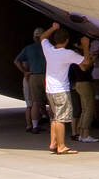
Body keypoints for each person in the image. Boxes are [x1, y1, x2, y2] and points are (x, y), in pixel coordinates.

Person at [39, 22, 94, 154]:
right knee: (61, 119)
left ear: (55, 40)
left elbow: (42, 38)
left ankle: (53, 143)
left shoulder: (49, 49)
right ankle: (61, 146)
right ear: (67, 40)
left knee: (55, 117)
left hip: (50, 89)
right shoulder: (67, 53)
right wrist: (86, 46)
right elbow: (86, 62)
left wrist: (52, 28)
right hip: (61, 90)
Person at [14, 28, 47, 133]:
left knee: (35, 103)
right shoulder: (47, 48)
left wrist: (25, 72)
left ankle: (34, 126)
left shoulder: (28, 49)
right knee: (51, 101)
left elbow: (16, 61)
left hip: (33, 76)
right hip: (46, 76)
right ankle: (54, 123)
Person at [71, 52, 98, 143]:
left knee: (84, 109)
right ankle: (85, 134)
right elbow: (84, 69)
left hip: (80, 84)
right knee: (89, 109)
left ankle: (81, 133)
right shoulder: (79, 59)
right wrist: (92, 61)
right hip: (84, 84)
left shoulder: (75, 59)